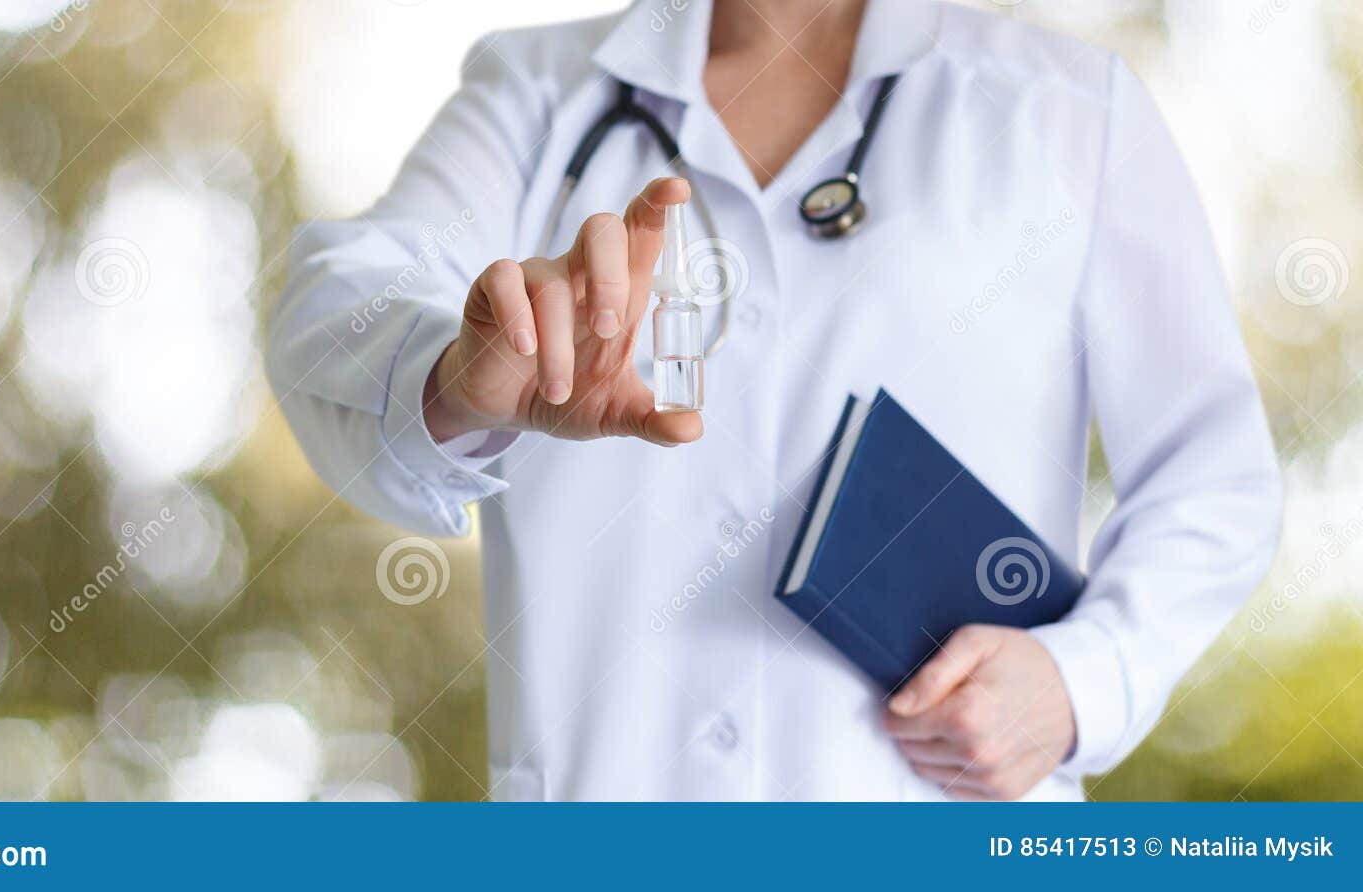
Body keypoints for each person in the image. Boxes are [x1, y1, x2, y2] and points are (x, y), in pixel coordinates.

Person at [266, 0, 1283, 800]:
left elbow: (1214, 478)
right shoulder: (535, 92)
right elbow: (335, 309)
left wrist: (1082, 680)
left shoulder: (1068, 107)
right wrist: (452, 374)